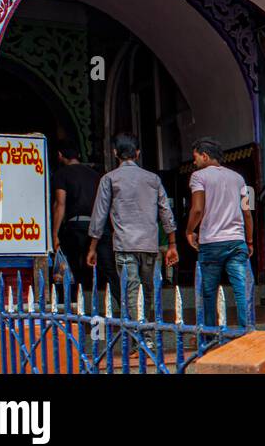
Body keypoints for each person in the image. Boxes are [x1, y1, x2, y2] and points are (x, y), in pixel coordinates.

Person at [87, 134, 179, 327]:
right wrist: (172, 244)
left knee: (131, 291)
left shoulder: (109, 179)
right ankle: (144, 333)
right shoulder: (153, 179)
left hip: (125, 244)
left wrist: (92, 247)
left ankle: (138, 336)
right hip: (149, 244)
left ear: (115, 154)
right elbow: (166, 212)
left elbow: (99, 215)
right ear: (137, 153)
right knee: (147, 291)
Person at [186, 137, 253, 327]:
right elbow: (247, 213)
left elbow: (197, 209)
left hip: (211, 242)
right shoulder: (239, 178)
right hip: (237, 241)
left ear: (205, 156)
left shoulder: (198, 177)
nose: (194, 162)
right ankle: (247, 331)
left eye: (196, 157)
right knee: (242, 288)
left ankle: (209, 335)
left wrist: (189, 231)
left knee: (208, 291)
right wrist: (249, 241)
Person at [51, 144, 117, 291]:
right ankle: (125, 307)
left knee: (72, 267)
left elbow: (60, 204)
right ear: (78, 156)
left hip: (76, 226)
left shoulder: (61, 174)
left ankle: (74, 305)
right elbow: (107, 203)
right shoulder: (96, 175)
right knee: (108, 269)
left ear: (60, 155)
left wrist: (54, 234)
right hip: (99, 226)